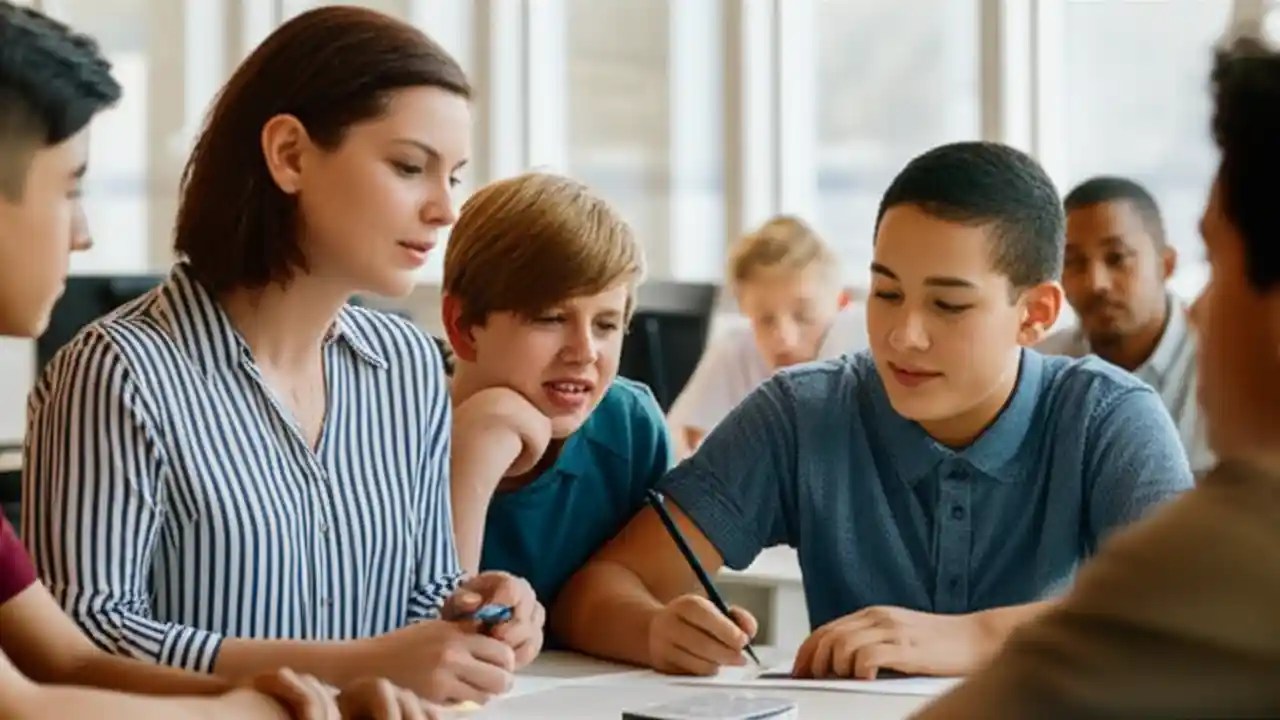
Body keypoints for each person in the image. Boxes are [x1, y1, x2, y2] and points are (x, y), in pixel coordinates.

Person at [21, 5, 540, 708]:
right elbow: (84, 641)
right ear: (290, 155)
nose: (445, 208)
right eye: (410, 167)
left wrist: (472, 615)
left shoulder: (411, 368)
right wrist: (351, 666)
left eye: (454, 176)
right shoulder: (118, 373)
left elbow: (418, 596)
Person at [551, 141, 1193, 680]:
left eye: (948, 305)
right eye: (886, 292)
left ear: (1036, 314)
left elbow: (1185, 612)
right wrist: (656, 629)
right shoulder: (803, 411)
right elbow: (599, 589)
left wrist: (965, 640)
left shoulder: (1110, 416)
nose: (902, 336)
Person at [914, 38, 1280, 719]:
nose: (1202, 309)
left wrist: (981, 633)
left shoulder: (1236, 549)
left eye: (1216, 263)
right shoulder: (1054, 367)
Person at [446, 173, 673, 631]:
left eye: (607, 325)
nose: (585, 350)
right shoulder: (387, 423)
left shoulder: (629, 426)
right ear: (466, 326)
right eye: (551, 318)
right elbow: (433, 630)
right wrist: (479, 445)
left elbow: (657, 598)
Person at [1039, 176, 1213, 475]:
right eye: (1074, 262)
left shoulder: (1229, 365)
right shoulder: (1042, 367)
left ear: (1166, 264)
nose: (1096, 283)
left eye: (1117, 258)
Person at [667, 215, 867, 457]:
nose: (784, 338)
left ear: (841, 302)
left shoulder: (864, 347)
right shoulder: (736, 349)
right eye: (765, 319)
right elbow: (677, 444)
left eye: (804, 316)